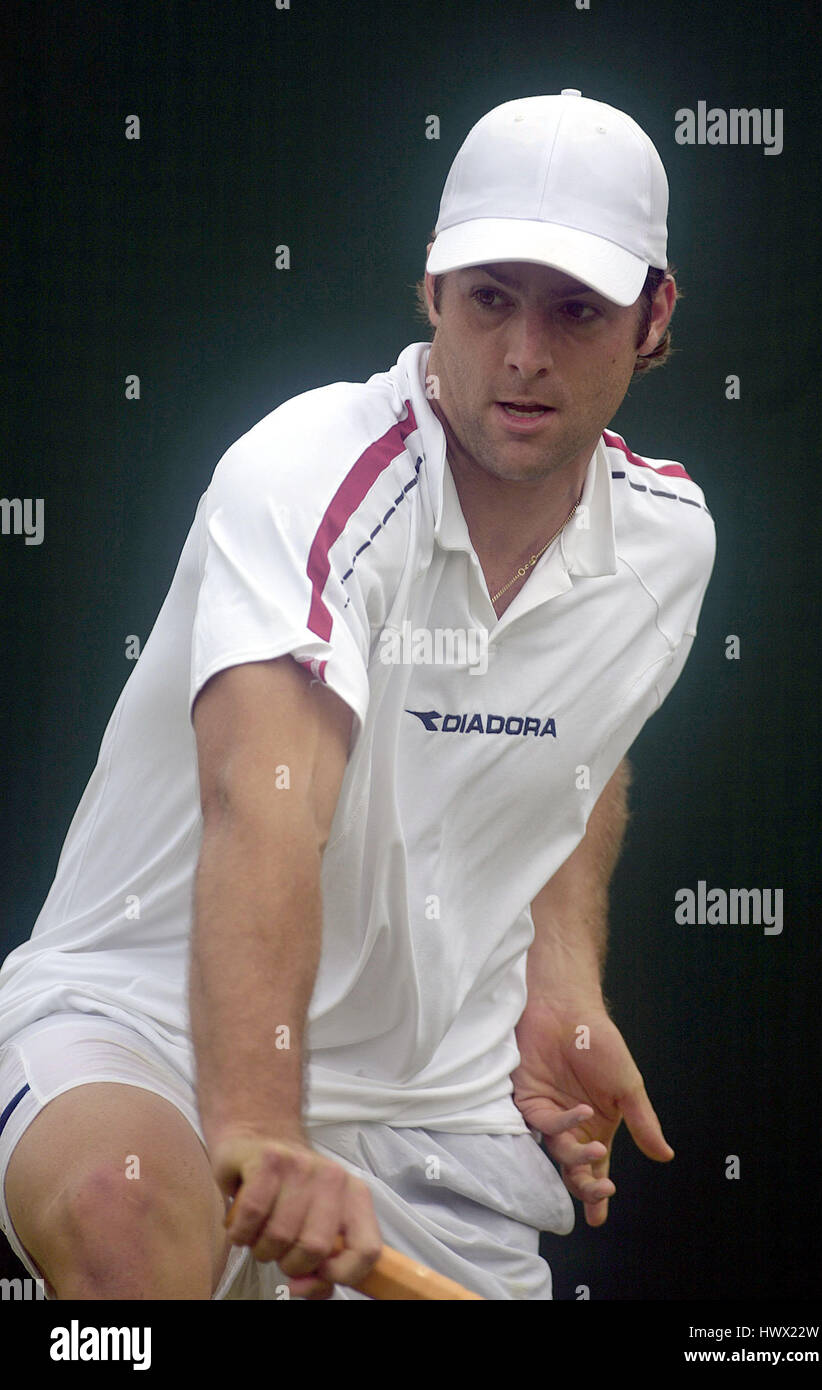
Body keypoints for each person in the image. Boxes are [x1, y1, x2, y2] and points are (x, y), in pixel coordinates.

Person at [0, 89, 715, 1301]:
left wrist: (562, 977)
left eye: (575, 309)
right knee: (120, 1226)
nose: (524, 353)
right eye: (489, 297)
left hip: (434, 1097)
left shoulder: (669, 542)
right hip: (146, 1033)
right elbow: (265, 804)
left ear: (653, 317)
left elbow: (571, 759)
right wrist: (265, 1126)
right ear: (430, 292)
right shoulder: (307, 474)